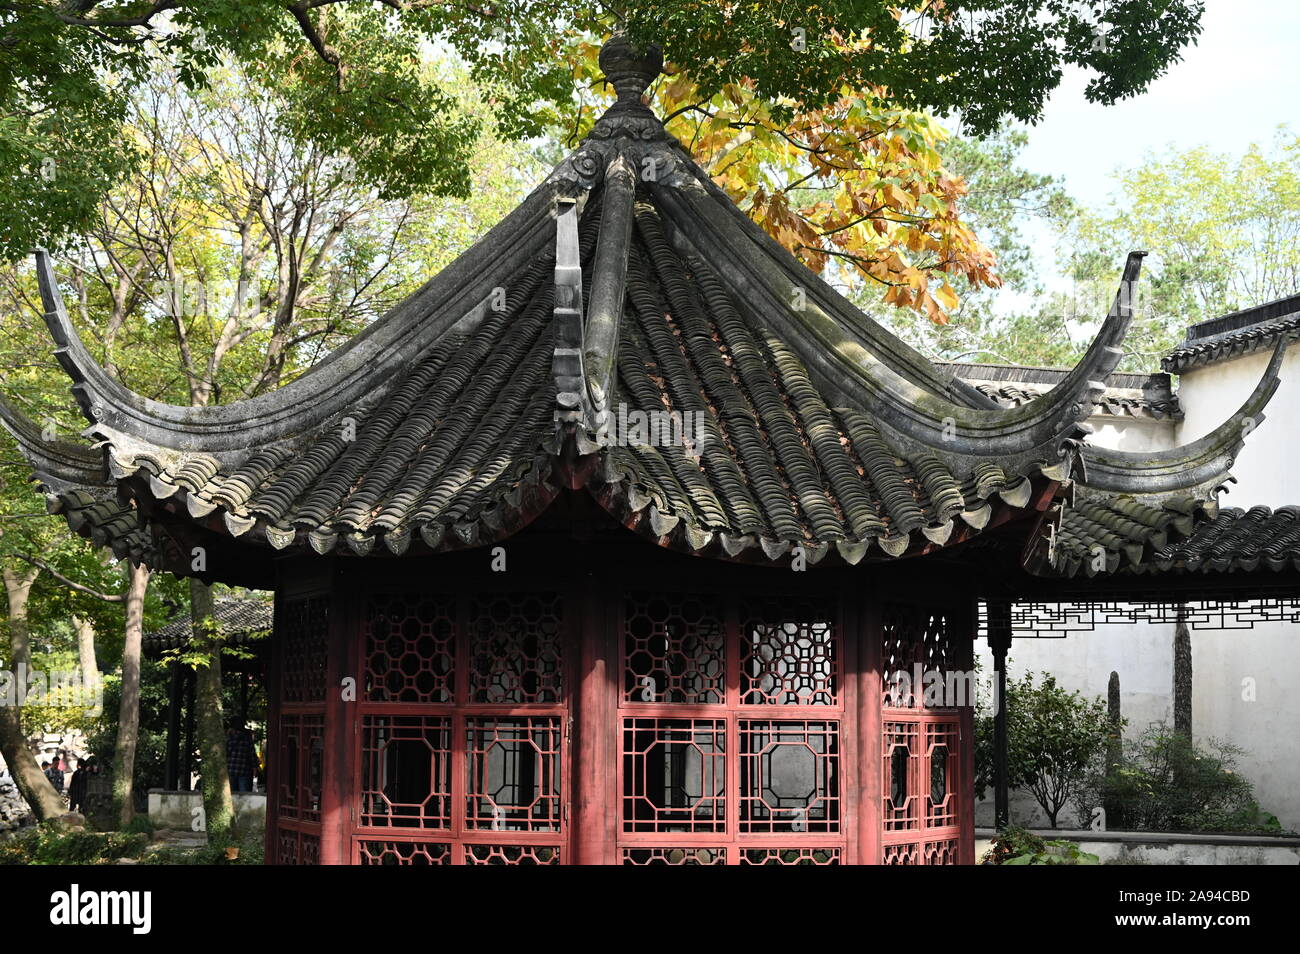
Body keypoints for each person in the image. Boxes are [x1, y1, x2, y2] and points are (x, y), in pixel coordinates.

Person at [226, 723, 255, 793]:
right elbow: (252, 755)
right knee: (244, 793)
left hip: (231, 769)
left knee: (231, 793)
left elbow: (225, 753)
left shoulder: (228, 739)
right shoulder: (247, 739)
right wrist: (255, 767)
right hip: (244, 770)